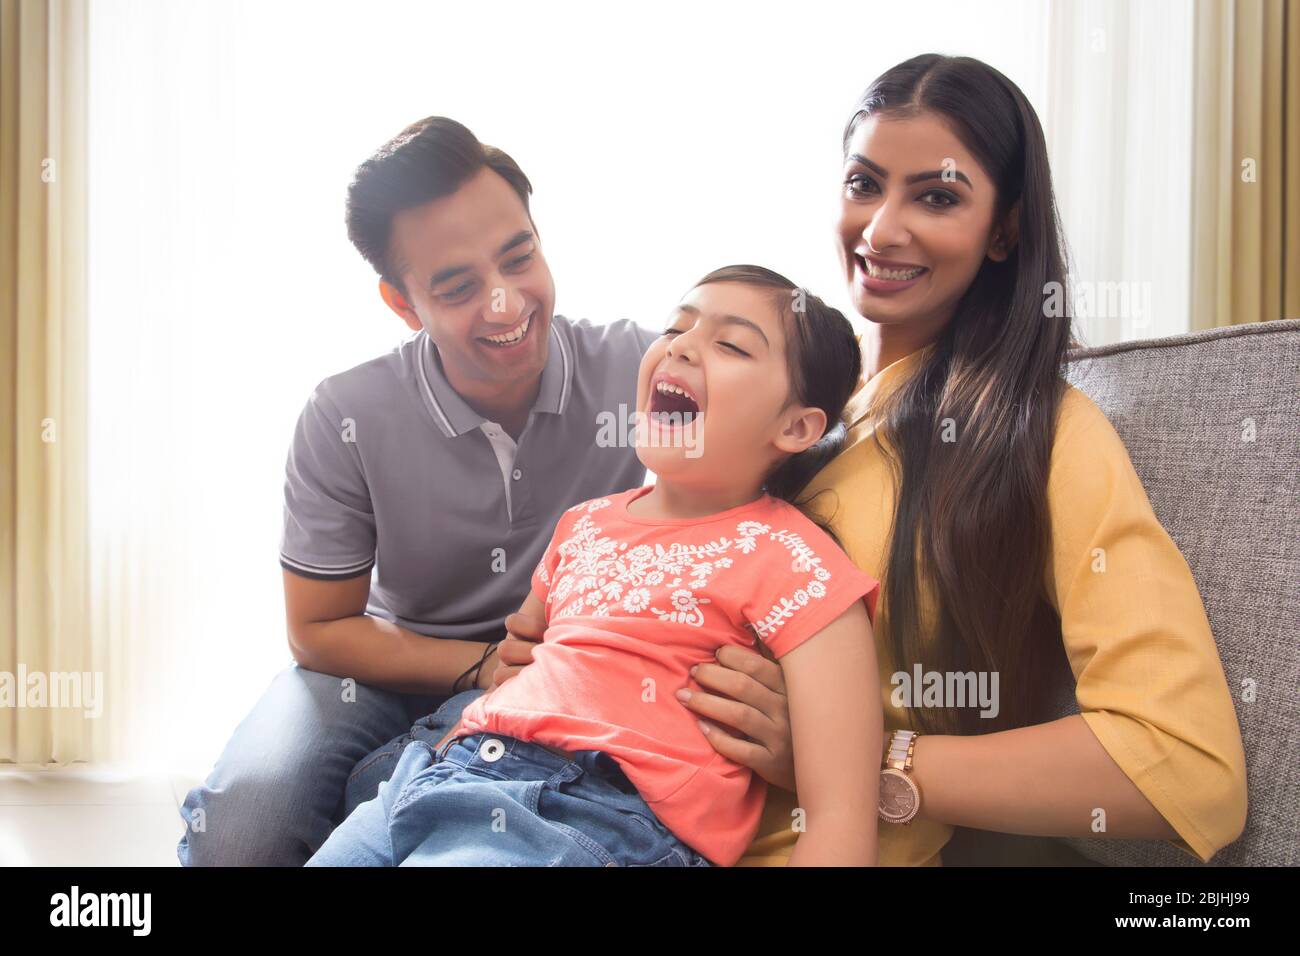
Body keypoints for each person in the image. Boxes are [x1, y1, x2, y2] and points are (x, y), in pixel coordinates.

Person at [487, 55, 1250, 866]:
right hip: (563, 803)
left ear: (1005, 229)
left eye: (937, 197)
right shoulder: (782, 398)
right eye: (864, 184)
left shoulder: (1043, 433)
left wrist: (859, 757)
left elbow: (1188, 767)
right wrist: (547, 663)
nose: (881, 230)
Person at [177, 117, 659, 865]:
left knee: (413, 809)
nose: (506, 304)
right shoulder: (345, 415)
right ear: (402, 304)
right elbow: (318, 629)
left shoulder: (640, 369)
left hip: (546, 675)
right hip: (372, 669)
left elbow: (788, 403)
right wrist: (481, 662)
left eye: (519, 258)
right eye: (459, 287)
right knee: (238, 839)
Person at [306, 266, 882, 867]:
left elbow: (841, 812)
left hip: (589, 815)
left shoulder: (798, 559)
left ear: (796, 427)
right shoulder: (583, 522)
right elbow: (522, 662)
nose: (681, 346)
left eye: (731, 345)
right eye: (676, 328)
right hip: (442, 769)